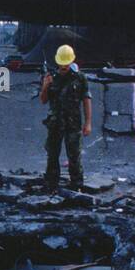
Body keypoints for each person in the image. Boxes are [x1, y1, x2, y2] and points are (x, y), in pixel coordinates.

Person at [40, 44, 92, 192]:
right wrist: (45, 85)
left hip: (73, 123)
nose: (63, 67)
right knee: (52, 155)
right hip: (55, 123)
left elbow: (86, 100)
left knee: (74, 156)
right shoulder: (51, 77)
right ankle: (51, 183)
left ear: (71, 61)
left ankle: (76, 185)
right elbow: (43, 100)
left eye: (66, 63)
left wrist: (88, 123)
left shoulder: (80, 78)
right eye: (61, 64)